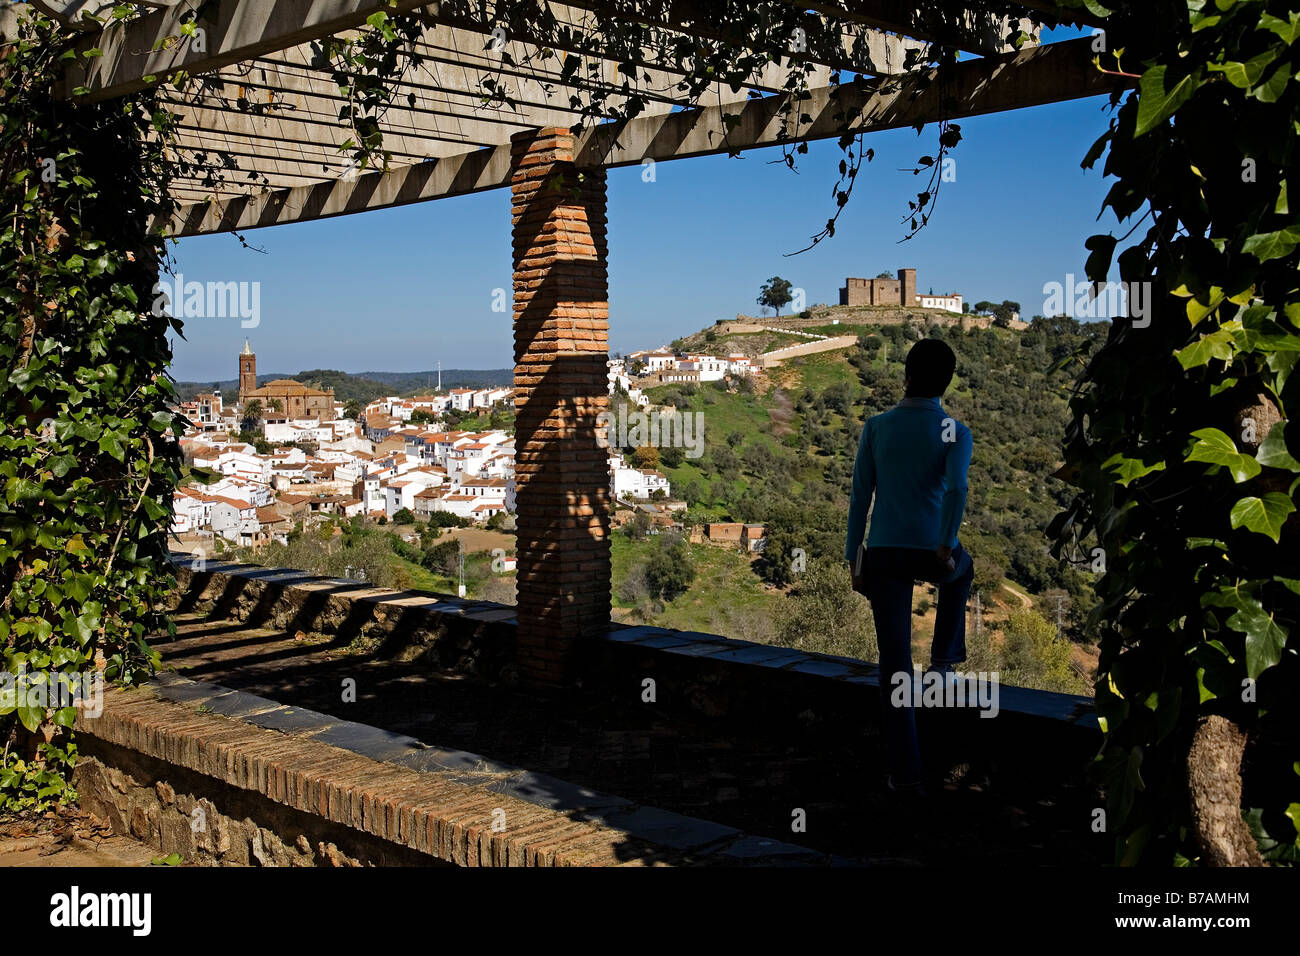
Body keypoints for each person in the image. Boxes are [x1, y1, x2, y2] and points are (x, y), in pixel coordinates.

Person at [845, 337, 974, 796]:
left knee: (894, 666)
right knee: (966, 570)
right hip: (931, 551)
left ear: (906, 375)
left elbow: (861, 497)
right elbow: (957, 490)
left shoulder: (877, 426)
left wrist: (852, 557)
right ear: (948, 382)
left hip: (882, 554)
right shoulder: (954, 432)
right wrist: (946, 542)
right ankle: (943, 662)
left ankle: (906, 776)